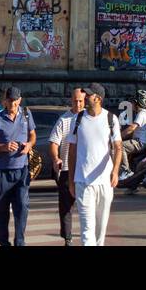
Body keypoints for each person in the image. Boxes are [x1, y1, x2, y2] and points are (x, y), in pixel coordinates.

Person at [68, 82, 122, 247]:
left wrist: (115, 171)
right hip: (83, 183)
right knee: (87, 231)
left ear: (98, 98)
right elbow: (72, 152)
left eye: (88, 95)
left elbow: (118, 148)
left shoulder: (110, 119)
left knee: (100, 232)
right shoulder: (77, 119)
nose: (84, 97)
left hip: (104, 183)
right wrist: (71, 180)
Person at [0, 86, 36, 247]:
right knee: (1, 210)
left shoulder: (27, 115)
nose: (13, 104)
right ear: (5, 101)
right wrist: (3, 147)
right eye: (10, 101)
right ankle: (3, 242)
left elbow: (33, 135)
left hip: (22, 170)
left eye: (16, 101)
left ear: (19, 100)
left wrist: (29, 145)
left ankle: (20, 242)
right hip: (3, 172)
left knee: (22, 207)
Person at [48, 86, 86, 246]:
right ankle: (68, 238)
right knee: (66, 208)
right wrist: (56, 158)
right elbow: (53, 142)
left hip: (85, 171)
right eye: (75, 101)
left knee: (87, 207)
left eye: (81, 101)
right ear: (71, 101)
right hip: (66, 170)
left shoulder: (90, 118)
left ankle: (88, 237)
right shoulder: (64, 120)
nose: (77, 104)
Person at [120, 88, 146, 173]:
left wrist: (119, 136)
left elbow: (131, 128)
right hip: (139, 142)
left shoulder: (141, 114)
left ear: (137, 103)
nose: (131, 104)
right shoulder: (144, 113)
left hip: (139, 143)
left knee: (120, 146)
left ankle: (126, 171)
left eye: (133, 102)